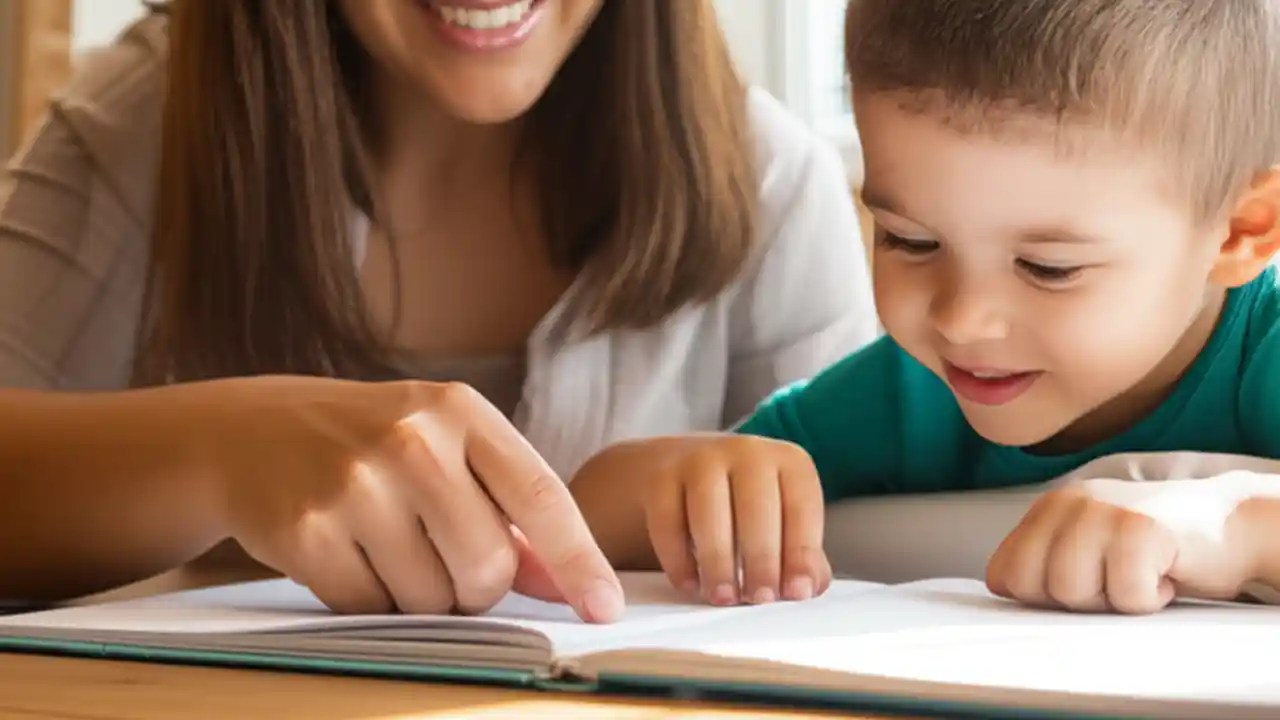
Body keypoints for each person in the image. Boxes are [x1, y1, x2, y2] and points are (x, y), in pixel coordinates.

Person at [0, 0, 876, 619]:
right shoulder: (145, 126)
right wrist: (222, 448)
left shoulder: (770, 188)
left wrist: (656, 506)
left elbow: (852, 562)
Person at [571, 0, 1280, 615]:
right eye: (909, 241)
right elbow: (588, 519)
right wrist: (701, 477)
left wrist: (1238, 525)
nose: (960, 320)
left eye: (1048, 267)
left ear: (1241, 232)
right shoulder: (905, 398)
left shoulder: (1267, 347)